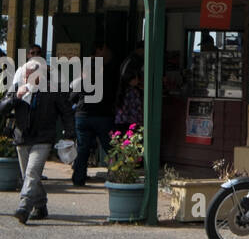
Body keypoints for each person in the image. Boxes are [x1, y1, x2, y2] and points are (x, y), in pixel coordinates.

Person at [0, 57, 74, 224]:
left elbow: (66, 111)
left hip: (43, 138)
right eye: (25, 75)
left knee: (32, 173)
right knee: (29, 175)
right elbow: (2, 109)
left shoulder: (52, 91)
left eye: (30, 75)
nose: (26, 79)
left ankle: (24, 207)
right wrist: (14, 98)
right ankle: (40, 205)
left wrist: (69, 134)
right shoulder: (18, 88)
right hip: (23, 137)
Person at [72, 44, 117, 187]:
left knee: (83, 148)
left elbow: (72, 96)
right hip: (102, 115)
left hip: (83, 115)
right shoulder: (107, 76)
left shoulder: (83, 78)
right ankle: (116, 175)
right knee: (109, 148)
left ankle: (78, 178)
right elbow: (113, 94)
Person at [114, 57, 144, 136]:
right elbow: (137, 109)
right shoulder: (134, 92)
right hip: (130, 123)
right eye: (137, 78)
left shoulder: (120, 90)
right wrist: (141, 124)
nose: (138, 80)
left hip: (119, 122)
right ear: (132, 79)